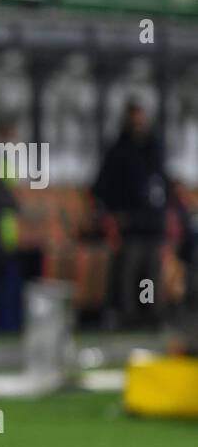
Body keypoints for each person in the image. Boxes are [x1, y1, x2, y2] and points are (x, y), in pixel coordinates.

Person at [93, 99, 173, 328]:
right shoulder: (119, 151)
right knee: (129, 270)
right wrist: (115, 213)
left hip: (152, 224)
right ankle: (128, 315)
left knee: (149, 274)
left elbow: (161, 183)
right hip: (129, 224)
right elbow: (103, 186)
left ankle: (150, 314)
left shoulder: (154, 149)